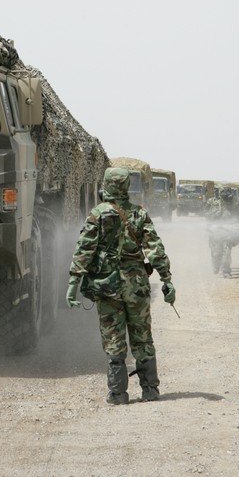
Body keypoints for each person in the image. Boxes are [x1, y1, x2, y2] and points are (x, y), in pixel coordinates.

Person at [66, 167, 175, 405]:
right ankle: (150, 390)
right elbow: (155, 250)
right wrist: (166, 280)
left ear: (106, 185)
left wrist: (73, 283)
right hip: (136, 285)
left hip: (107, 286)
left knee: (113, 340)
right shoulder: (139, 214)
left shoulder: (98, 214)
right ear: (126, 187)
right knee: (142, 337)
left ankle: (117, 394)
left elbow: (84, 250)